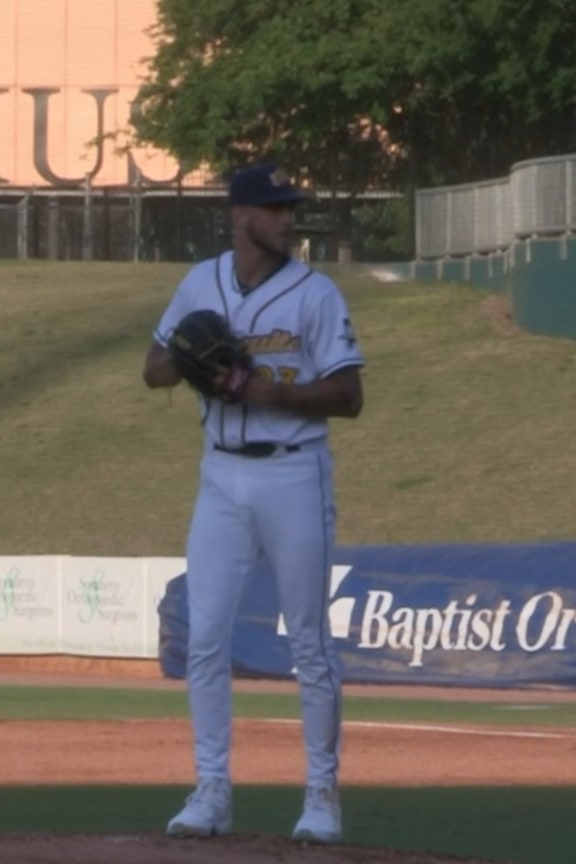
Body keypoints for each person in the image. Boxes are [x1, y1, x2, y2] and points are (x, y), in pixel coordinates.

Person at [141, 162, 364, 844]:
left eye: (290, 207)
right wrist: (196, 360)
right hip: (220, 476)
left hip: (294, 473)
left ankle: (321, 796)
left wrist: (277, 393)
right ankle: (211, 790)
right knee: (204, 635)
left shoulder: (314, 293)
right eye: (274, 208)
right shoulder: (199, 283)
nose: (287, 218)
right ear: (241, 216)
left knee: (309, 640)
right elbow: (153, 370)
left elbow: (350, 396)